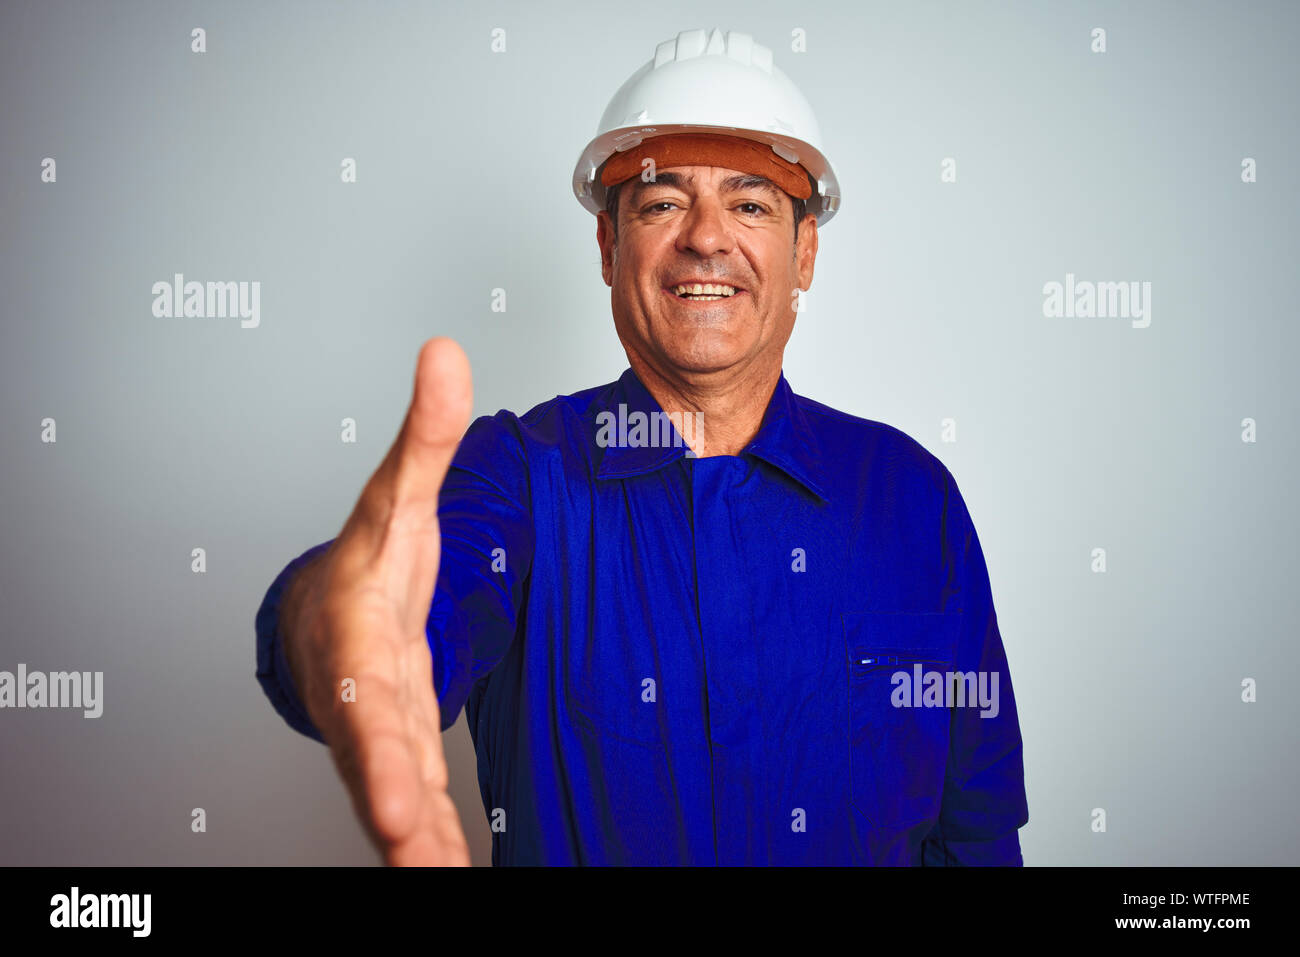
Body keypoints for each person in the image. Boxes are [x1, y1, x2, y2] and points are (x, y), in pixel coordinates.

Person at [255, 28, 1028, 866]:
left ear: (804, 251)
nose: (706, 237)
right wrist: (338, 628)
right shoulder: (519, 476)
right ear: (607, 247)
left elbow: (976, 832)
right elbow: (404, 606)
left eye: (751, 202)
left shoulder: (913, 497)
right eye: (662, 202)